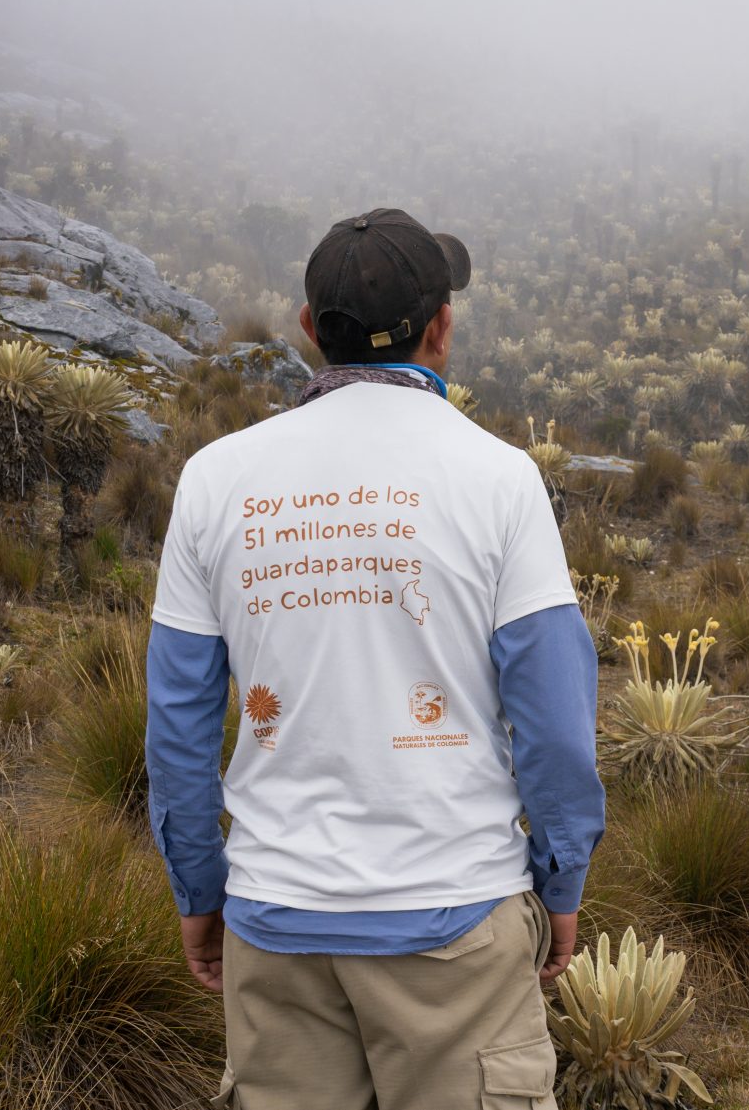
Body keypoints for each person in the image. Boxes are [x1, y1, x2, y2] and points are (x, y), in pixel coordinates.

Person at [144, 208, 604, 1110]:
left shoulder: (214, 479)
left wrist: (200, 889)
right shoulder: (501, 478)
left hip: (277, 928)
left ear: (311, 332)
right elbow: (554, 723)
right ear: (442, 327)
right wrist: (562, 879)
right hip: (458, 924)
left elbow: (178, 728)